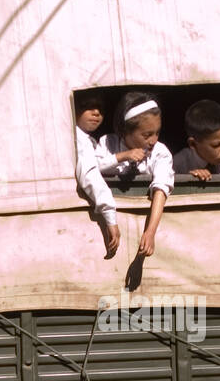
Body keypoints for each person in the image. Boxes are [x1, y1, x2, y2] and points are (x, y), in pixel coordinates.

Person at [97, 91, 173, 257]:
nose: (153, 140)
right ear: (125, 131)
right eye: (146, 135)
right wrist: (122, 156)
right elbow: (91, 169)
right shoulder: (107, 143)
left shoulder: (160, 152)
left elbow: (161, 188)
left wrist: (150, 232)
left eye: (157, 133)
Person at [74, 91, 120, 258]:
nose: (96, 113)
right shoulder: (79, 140)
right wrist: (110, 217)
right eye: (88, 107)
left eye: (100, 109)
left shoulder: (89, 139)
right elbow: (90, 174)